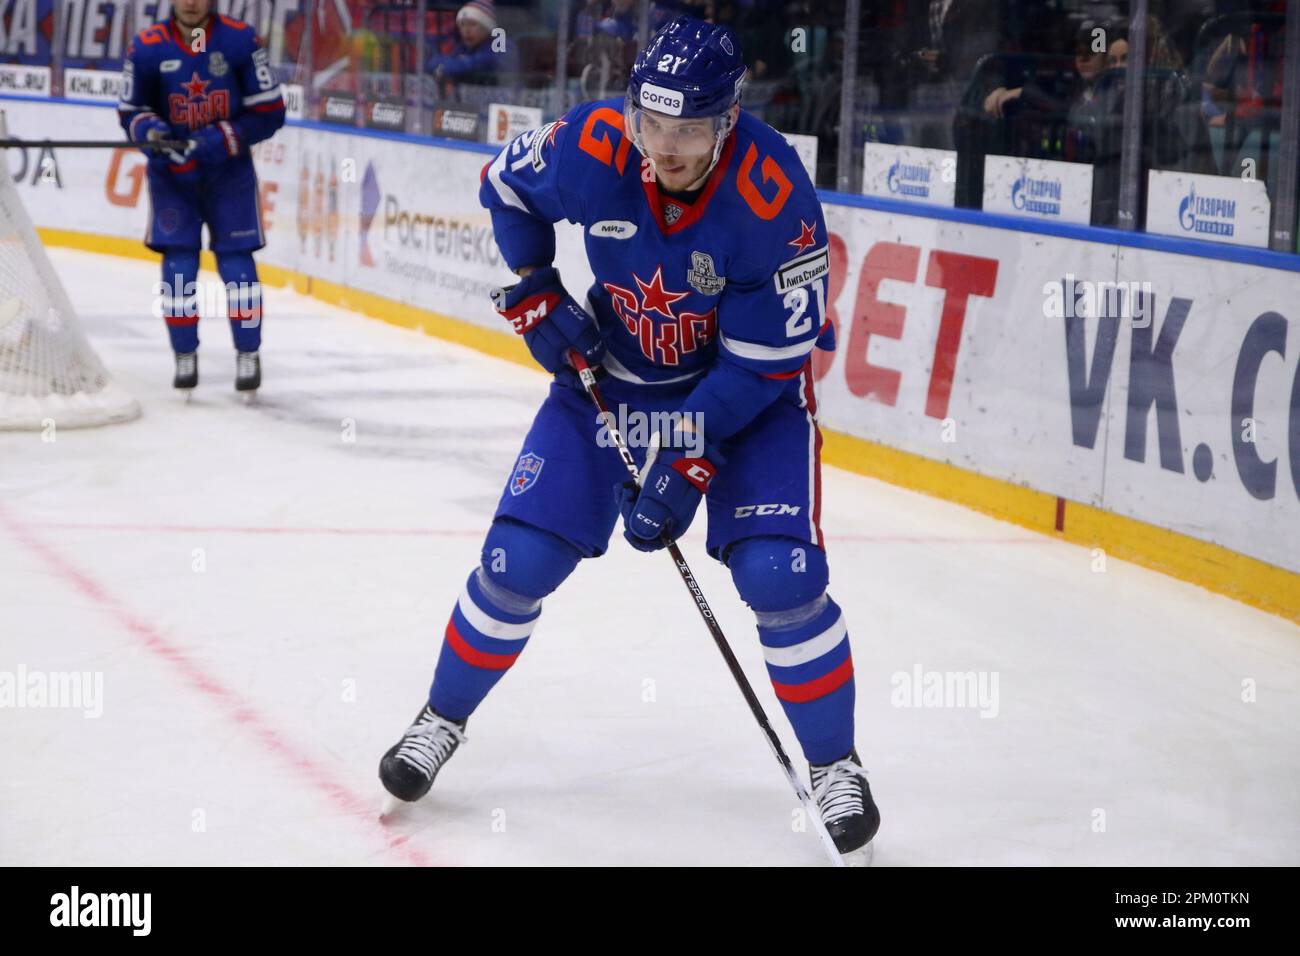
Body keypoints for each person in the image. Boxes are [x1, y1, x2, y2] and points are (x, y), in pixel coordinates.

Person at [379, 15, 880, 863]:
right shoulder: (593, 146)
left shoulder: (773, 195)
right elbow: (504, 190)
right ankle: (439, 719)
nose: (667, 147)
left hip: (743, 405)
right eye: (654, 125)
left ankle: (836, 766)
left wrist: (689, 456)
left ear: (727, 119)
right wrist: (536, 289)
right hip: (608, 386)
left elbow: (764, 367)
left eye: (689, 129)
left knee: (780, 578)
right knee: (515, 566)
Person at [117, 0, 285, 393]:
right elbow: (130, 111)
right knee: (178, 270)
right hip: (172, 177)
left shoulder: (240, 41)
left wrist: (225, 137)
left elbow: (270, 111)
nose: (191, 3)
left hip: (230, 175)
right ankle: (184, 355)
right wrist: (154, 135)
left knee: (238, 268)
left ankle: (247, 353)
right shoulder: (146, 46)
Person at [427, 1, 500, 85]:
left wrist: (456, 63)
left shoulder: (499, 46)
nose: (466, 30)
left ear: (487, 27)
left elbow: (469, 65)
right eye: (462, 24)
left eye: (472, 24)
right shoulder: (464, 47)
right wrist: (454, 63)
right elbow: (432, 63)